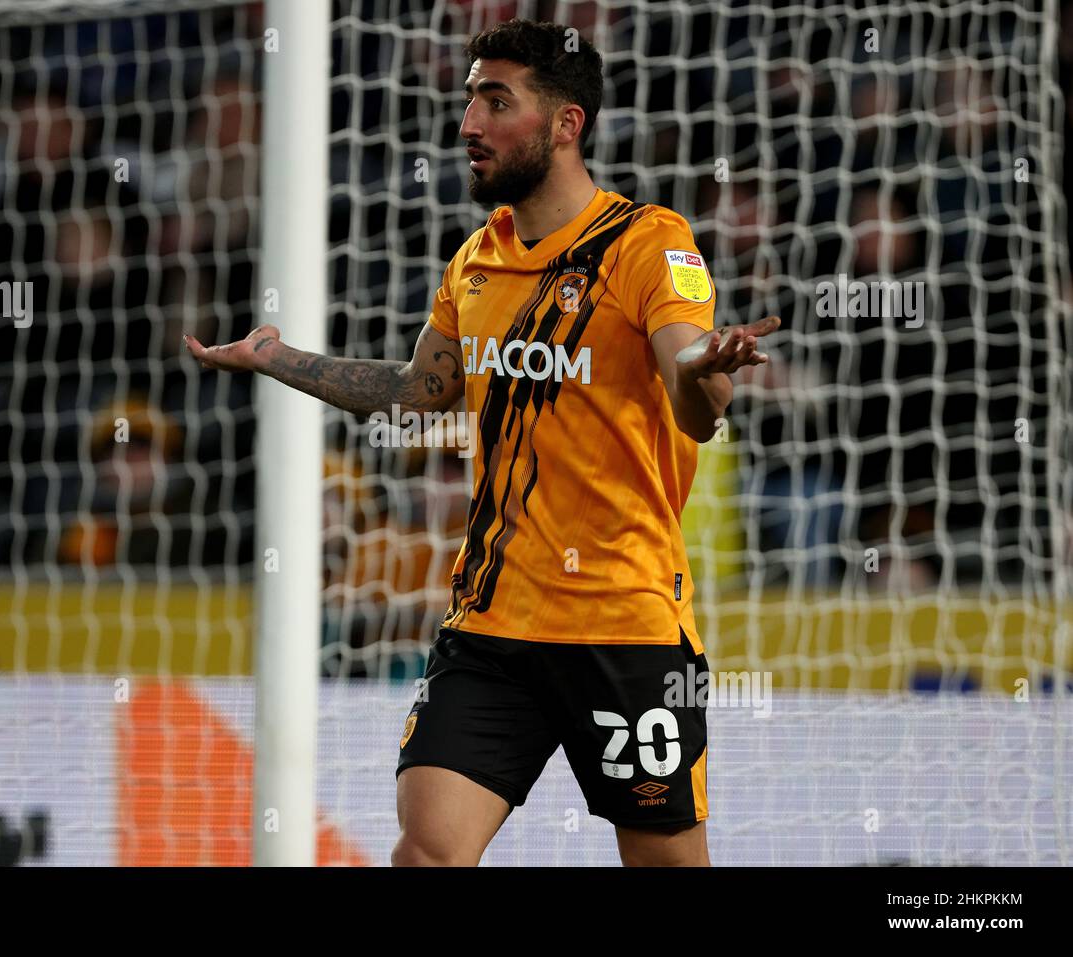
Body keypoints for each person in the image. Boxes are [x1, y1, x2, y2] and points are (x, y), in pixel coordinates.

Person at [186, 18, 779, 867]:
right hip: (491, 621)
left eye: (496, 101)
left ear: (566, 124)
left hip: (623, 623)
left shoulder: (650, 243)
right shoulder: (477, 259)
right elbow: (413, 391)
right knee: (426, 851)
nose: (468, 123)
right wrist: (275, 359)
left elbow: (694, 401)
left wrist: (707, 371)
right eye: (469, 98)